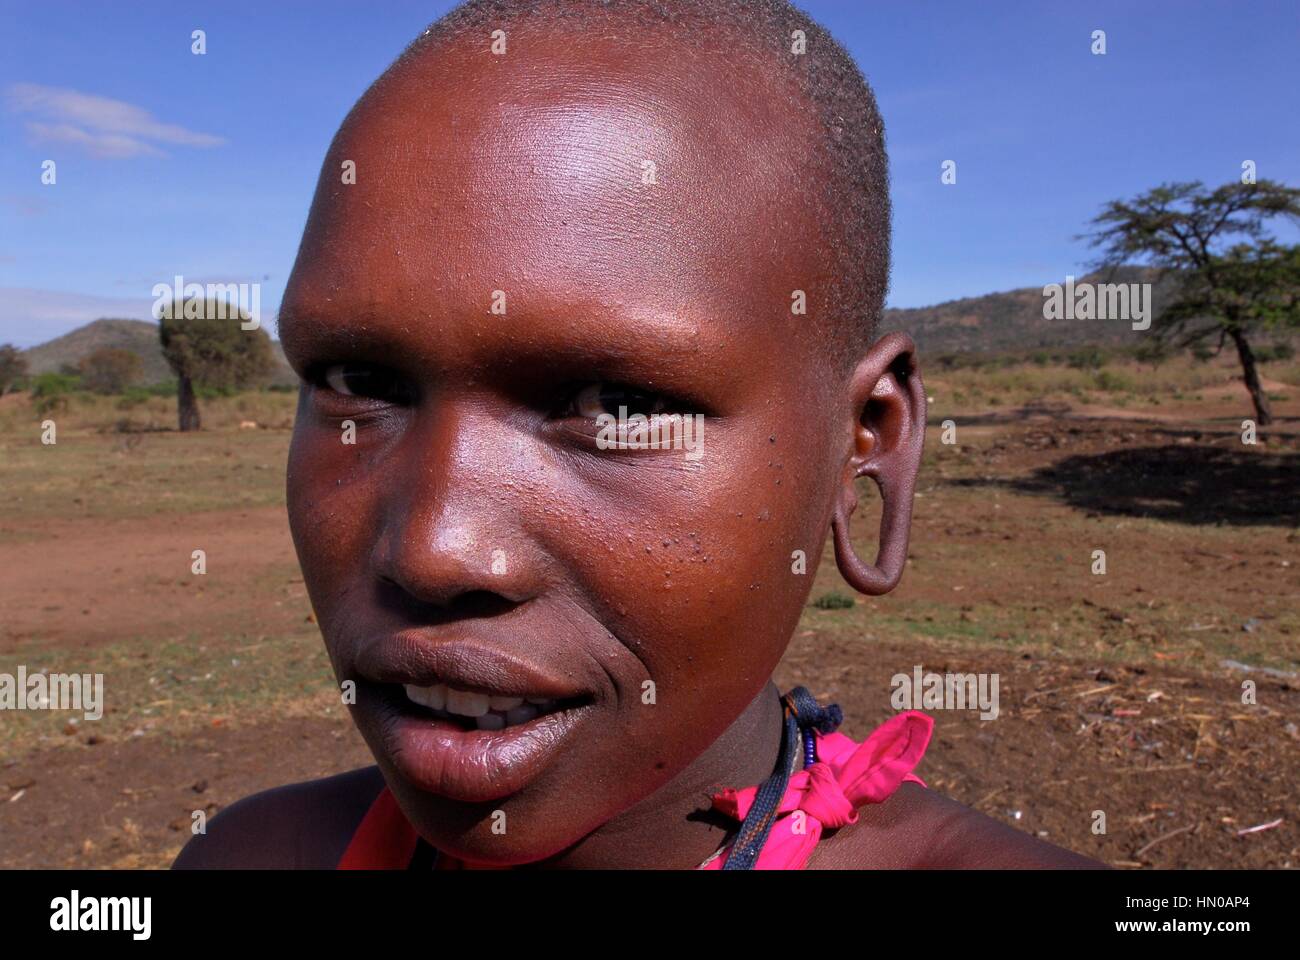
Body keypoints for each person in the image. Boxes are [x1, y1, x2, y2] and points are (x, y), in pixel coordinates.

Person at [175, 0, 1101, 869]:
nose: (434, 549)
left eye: (616, 404)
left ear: (865, 442)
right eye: (358, 383)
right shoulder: (249, 856)